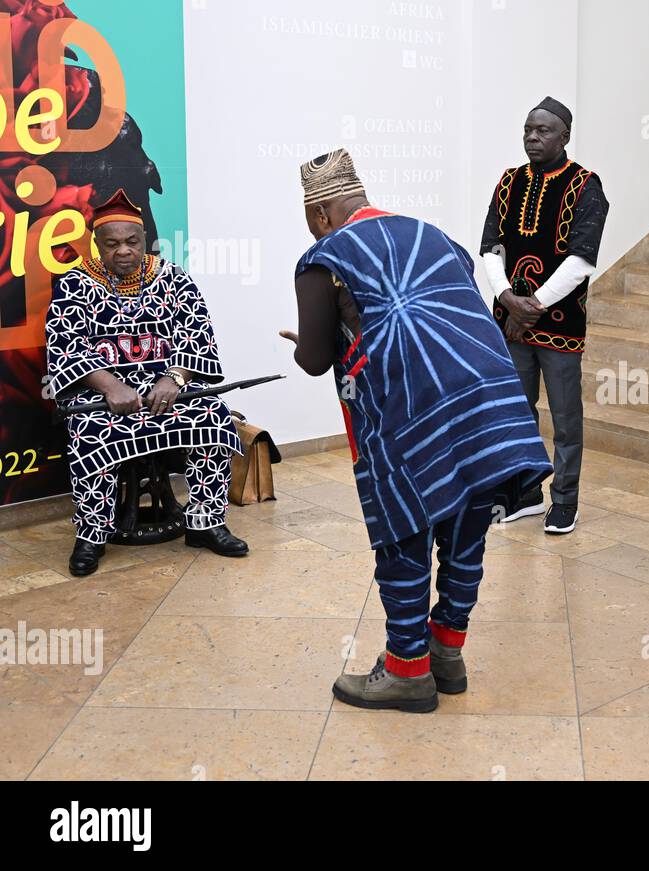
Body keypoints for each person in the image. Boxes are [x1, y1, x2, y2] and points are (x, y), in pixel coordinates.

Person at [284, 149, 552, 713]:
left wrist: (308, 343)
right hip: (487, 396)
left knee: (404, 529)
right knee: (467, 526)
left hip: (408, 409)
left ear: (319, 213)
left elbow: (313, 359)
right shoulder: (437, 236)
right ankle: (447, 652)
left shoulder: (323, 256)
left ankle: (407, 670)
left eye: (311, 219)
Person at [45, 189, 248, 577]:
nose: (124, 251)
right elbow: (66, 346)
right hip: (101, 396)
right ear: (97, 244)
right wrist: (111, 387)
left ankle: (206, 523)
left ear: (145, 240)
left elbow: (197, 334)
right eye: (112, 244)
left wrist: (175, 378)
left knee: (214, 416)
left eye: (132, 242)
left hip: (165, 390)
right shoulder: (74, 283)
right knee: (90, 432)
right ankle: (92, 534)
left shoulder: (174, 279)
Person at [480, 97, 609, 535]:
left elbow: (581, 260)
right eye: (528, 130)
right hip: (510, 321)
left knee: (565, 418)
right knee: (517, 412)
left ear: (565, 136)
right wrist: (506, 297)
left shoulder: (586, 185)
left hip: (560, 325)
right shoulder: (509, 181)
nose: (532, 137)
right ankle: (526, 493)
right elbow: (491, 247)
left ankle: (565, 500)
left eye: (543, 131)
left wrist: (529, 306)